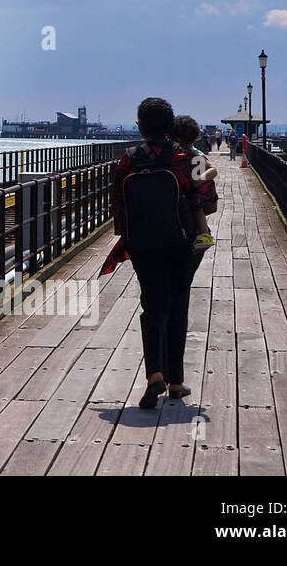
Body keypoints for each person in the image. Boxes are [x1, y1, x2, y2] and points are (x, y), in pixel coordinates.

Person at [111, 97, 217, 409]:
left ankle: (154, 374)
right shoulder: (187, 157)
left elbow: (119, 205)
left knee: (152, 304)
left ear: (140, 126)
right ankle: (175, 382)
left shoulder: (128, 160)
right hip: (181, 241)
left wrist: (129, 237)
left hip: (142, 242)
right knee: (178, 304)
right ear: (169, 126)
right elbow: (209, 200)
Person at [170, 115, 219, 253]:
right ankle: (203, 234)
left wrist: (197, 181)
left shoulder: (195, 154)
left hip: (193, 192)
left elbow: (213, 170)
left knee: (196, 209)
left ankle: (205, 235)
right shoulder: (189, 152)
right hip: (189, 191)